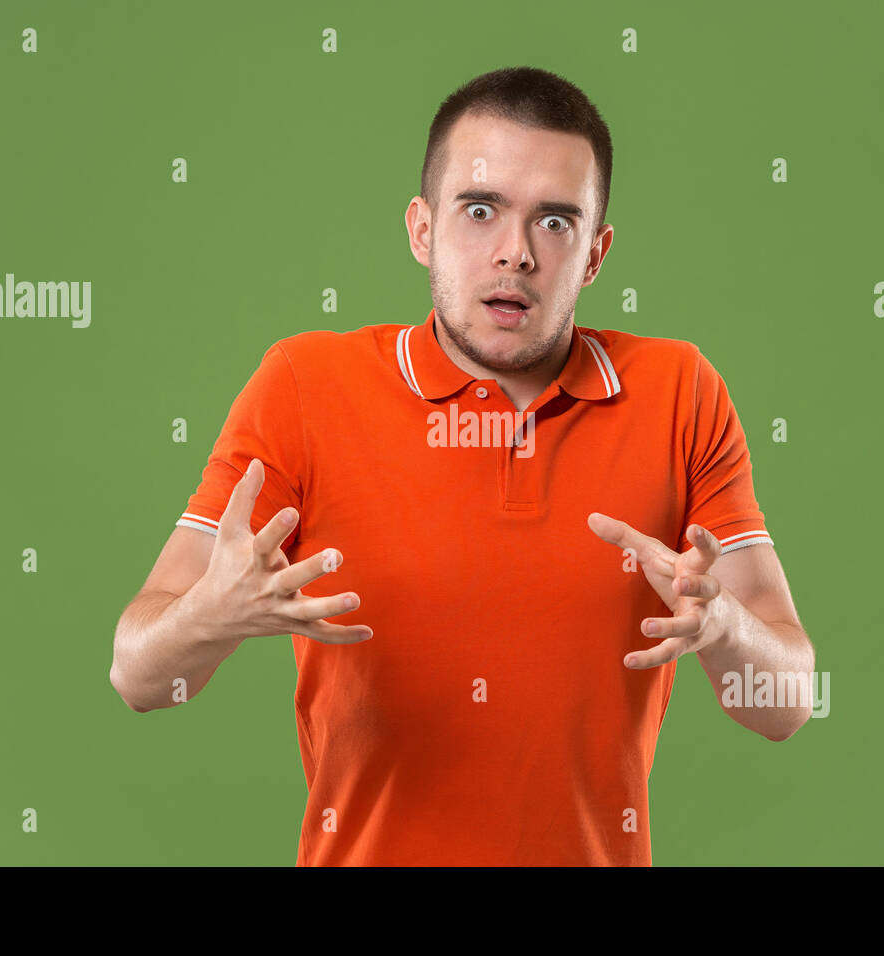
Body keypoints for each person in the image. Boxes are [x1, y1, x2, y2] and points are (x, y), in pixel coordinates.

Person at [110, 66, 814, 866]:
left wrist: (726, 629)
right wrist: (212, 613)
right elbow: (137, 673)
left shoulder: (681, 393)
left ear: (594, 254)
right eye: (481, 211)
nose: (514, 253)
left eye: (555, 222)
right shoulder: (304, 387)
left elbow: (787, 704)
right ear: (421, 229)